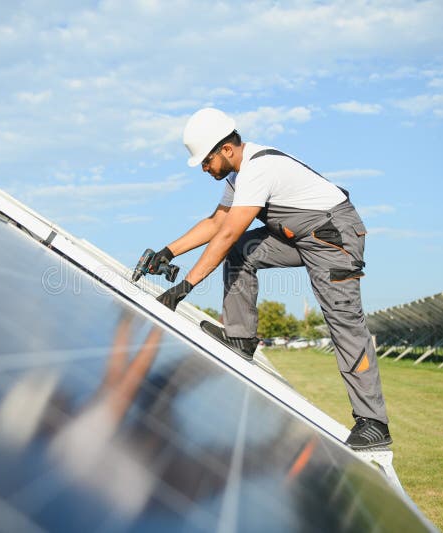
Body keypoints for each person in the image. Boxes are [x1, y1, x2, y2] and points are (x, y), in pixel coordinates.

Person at [147, 107, 391, 450]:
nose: (204, 168)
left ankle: (374, 422)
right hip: (300, 237)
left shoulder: (258, 170)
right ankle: (241, 337)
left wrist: (184, 288)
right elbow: (217, 223)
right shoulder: (238, 176)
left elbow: (229, 232)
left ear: (226, 150)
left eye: (206, 161)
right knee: (242, 252)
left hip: (334, 238)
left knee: (344, 324)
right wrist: (168, 252)